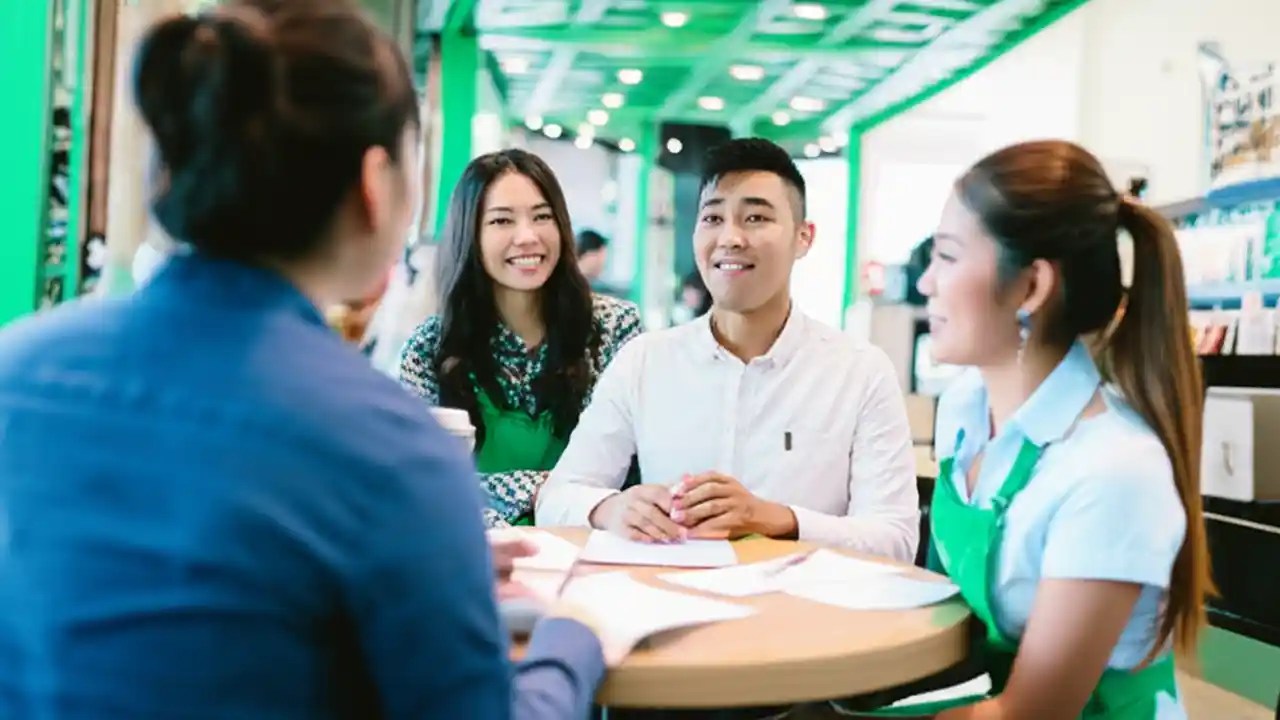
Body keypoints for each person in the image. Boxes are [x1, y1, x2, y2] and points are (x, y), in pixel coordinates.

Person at [0, 2, 621, 717]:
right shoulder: (387, 447)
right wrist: (572, 641)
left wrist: (422, 567)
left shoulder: (19, 371)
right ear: (374, 183)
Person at [852, 139, 1210, 719]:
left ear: (1031, 288)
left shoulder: (1113, 471)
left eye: (946, 257)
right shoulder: (967, 411)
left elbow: (1027, 715)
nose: (925, 284)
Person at [536, 138, 919, 563]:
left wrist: (775, 518)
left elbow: (897, 539)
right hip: (668, 605)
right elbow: (556, 497)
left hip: (807, 616)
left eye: (755, 217)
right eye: (713, 217)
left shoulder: (860, 371)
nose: (731, 237)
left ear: (803, 237)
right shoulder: (646, 361)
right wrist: (610, 508)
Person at [397, 149, 642, 528]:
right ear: (471, 235)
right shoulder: (430, 348)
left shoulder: (613, 327)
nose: (527, 237)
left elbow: (630, 475)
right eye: (502, 220)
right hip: (480, 561)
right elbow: (422, 487)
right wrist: (545, 491)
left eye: (542, 217)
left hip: (595, 563)